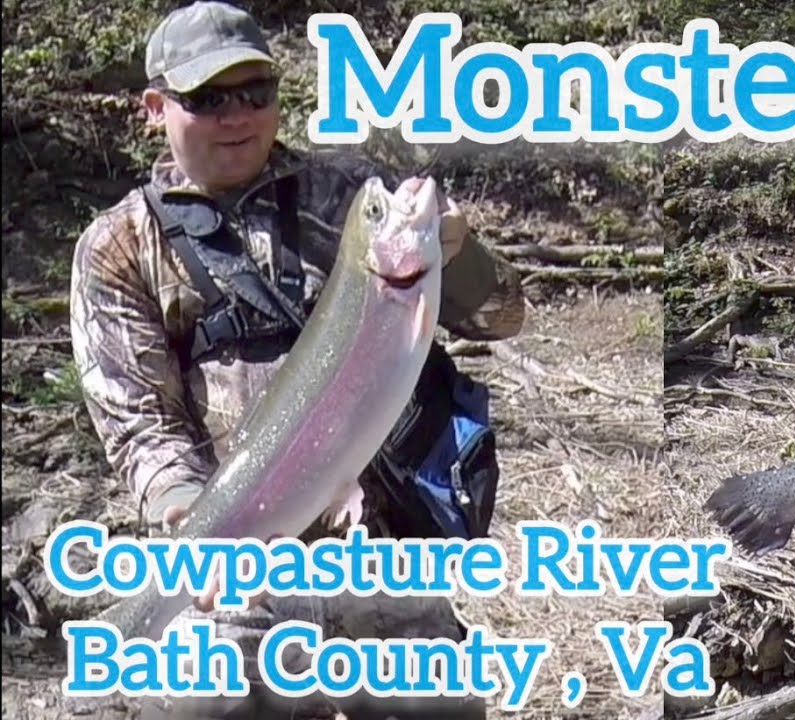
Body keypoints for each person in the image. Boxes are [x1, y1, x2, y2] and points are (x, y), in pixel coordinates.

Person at [68, 2, 525, 718]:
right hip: (241, 563)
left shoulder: (346, 197)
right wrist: (192, 521)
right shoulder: (119, 244)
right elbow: (137, 420)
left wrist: (457, 253)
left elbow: (501, 316)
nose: (237, 115)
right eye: (208, 98)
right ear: (155, 107)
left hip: (380, 552)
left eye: (257, 93)